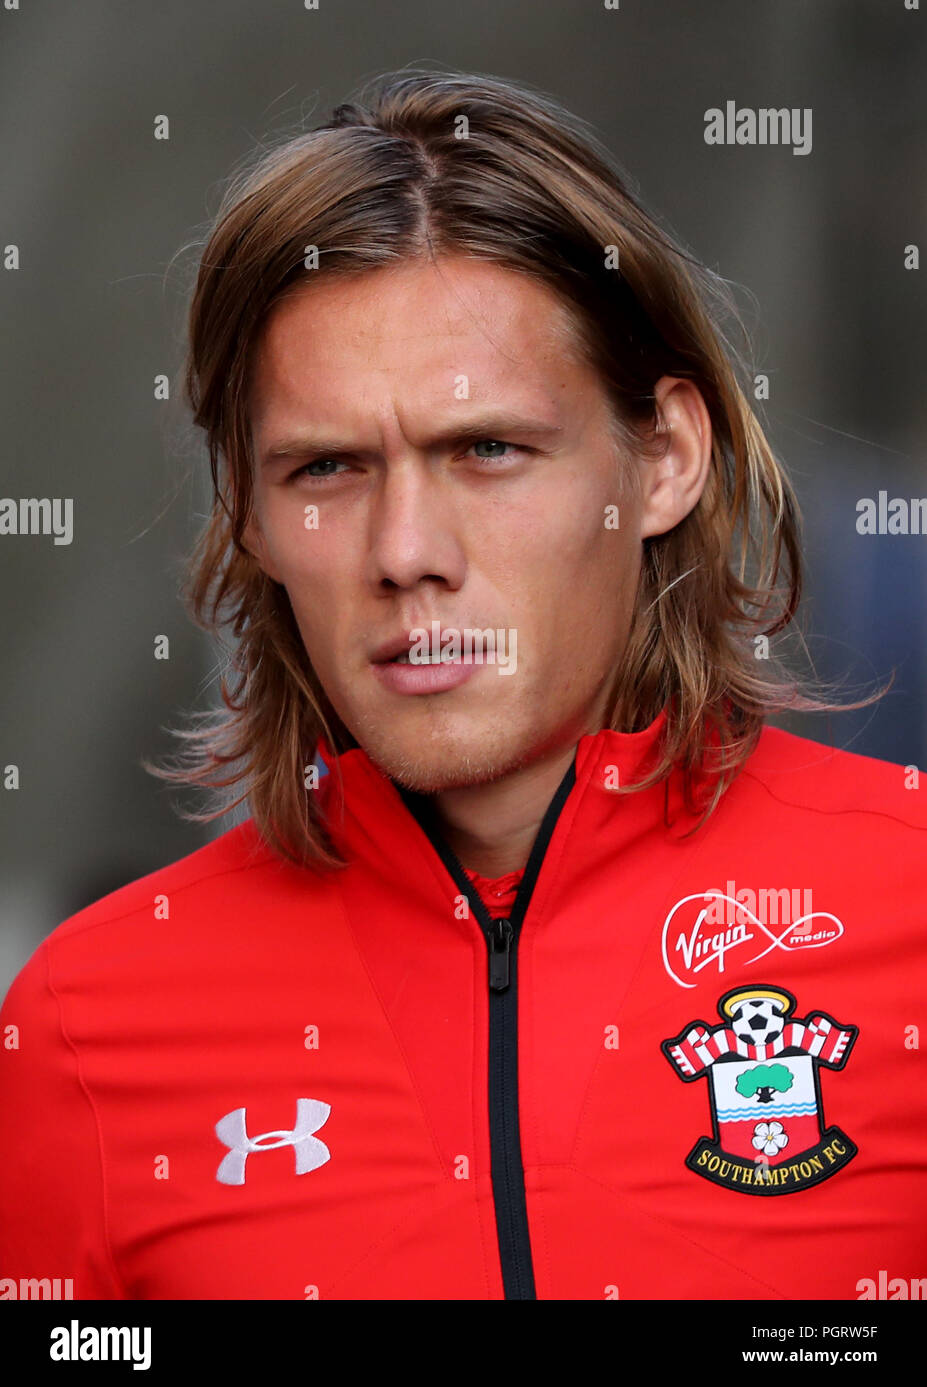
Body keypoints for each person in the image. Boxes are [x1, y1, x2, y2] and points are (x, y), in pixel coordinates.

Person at [1, 68, 924, 1302]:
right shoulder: (84, 1026)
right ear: (254, 522)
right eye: (325, 467)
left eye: (486, 450)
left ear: (664, 459)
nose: (404, 552)